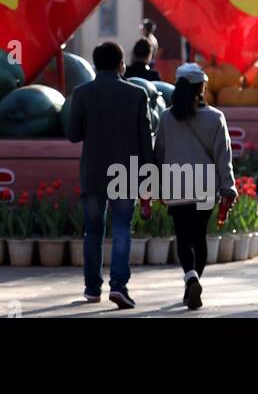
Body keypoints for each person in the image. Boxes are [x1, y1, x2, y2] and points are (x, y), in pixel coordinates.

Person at [66, 41, 154, 309]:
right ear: (121, 65)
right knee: (121, 231)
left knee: (92, 231)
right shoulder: (137, 94)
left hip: (93, 172)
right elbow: (145, 142)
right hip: (125, 175)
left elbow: (73, 135)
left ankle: (92, 289)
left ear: (94, 65)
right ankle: (119, 287)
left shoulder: (82, 93)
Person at [154, 62, 236, 309]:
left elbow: (159, 153)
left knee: (183, 237)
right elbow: (224, 156)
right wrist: (228, 186)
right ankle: (194, 280)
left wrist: (154, 186)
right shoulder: (215, 117)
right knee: (199, 239)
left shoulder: (167, 118)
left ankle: (190, 278)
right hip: (205, 186)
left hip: (176, 185)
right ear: (202, 87)